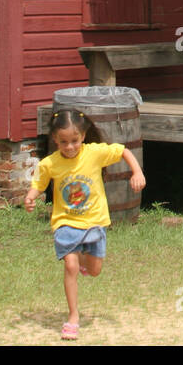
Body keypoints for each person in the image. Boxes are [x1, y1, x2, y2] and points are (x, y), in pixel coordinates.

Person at [24, 106, 146, 340]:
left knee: (94, 271)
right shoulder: (49, 164)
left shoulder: (93, 153)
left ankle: (82, 258)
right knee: (70, 266)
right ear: (55, 140)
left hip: (94, 222)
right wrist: (30, 197)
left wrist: (137, 172)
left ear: (83, 136)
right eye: (63, 142)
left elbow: (122, 151)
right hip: (65, 222)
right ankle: (73, 317)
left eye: (74, 141)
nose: (69, 147)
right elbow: (38, 184)